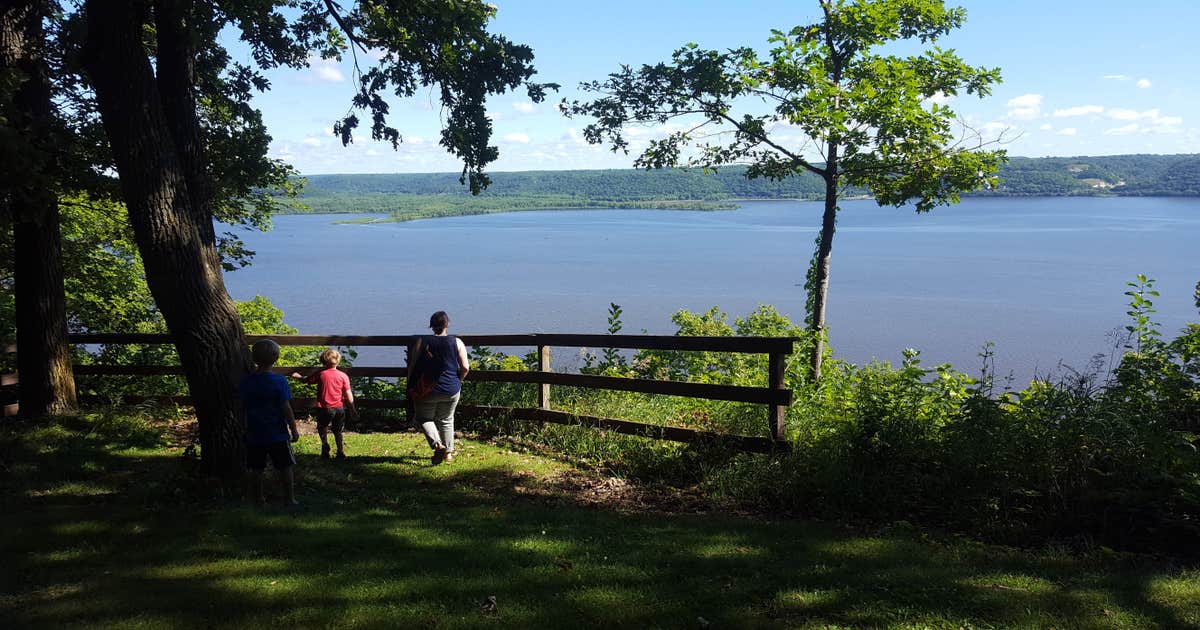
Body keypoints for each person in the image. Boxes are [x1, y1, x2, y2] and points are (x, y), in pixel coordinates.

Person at [241, 339, 300, 506]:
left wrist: (243, 426)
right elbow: (286, 407)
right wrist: (293, 428)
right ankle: (289, 498)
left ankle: (258, 498)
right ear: (276, 357)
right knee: (285, 466)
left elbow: (242, 406)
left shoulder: (247, 381)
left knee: (256, 467)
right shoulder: (279, 381)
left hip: (254, 432)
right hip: (277, 433)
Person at [409, 310, 469, 464]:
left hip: (426, 389)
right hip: (451, 388)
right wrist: (458, 380)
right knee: (447, 419)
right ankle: (448, 454)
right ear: (447, 325)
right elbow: (465, 367)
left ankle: (437, 445)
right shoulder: (456, 342)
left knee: (423, 418)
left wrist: (411, 385)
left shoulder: (422, 341)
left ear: (431, 326)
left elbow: (413, 367)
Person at [291, 348, 354, 459]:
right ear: (338, 361)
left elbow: (306, 380)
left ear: (323, 361)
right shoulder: (343, 376)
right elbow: (348, 394)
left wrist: (298, 377)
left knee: (322, 427)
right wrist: (352, 409)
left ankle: (325, 447)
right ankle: (340, 452)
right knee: (338, 430)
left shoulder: (321, 374)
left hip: (324, 408)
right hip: (339, 408)